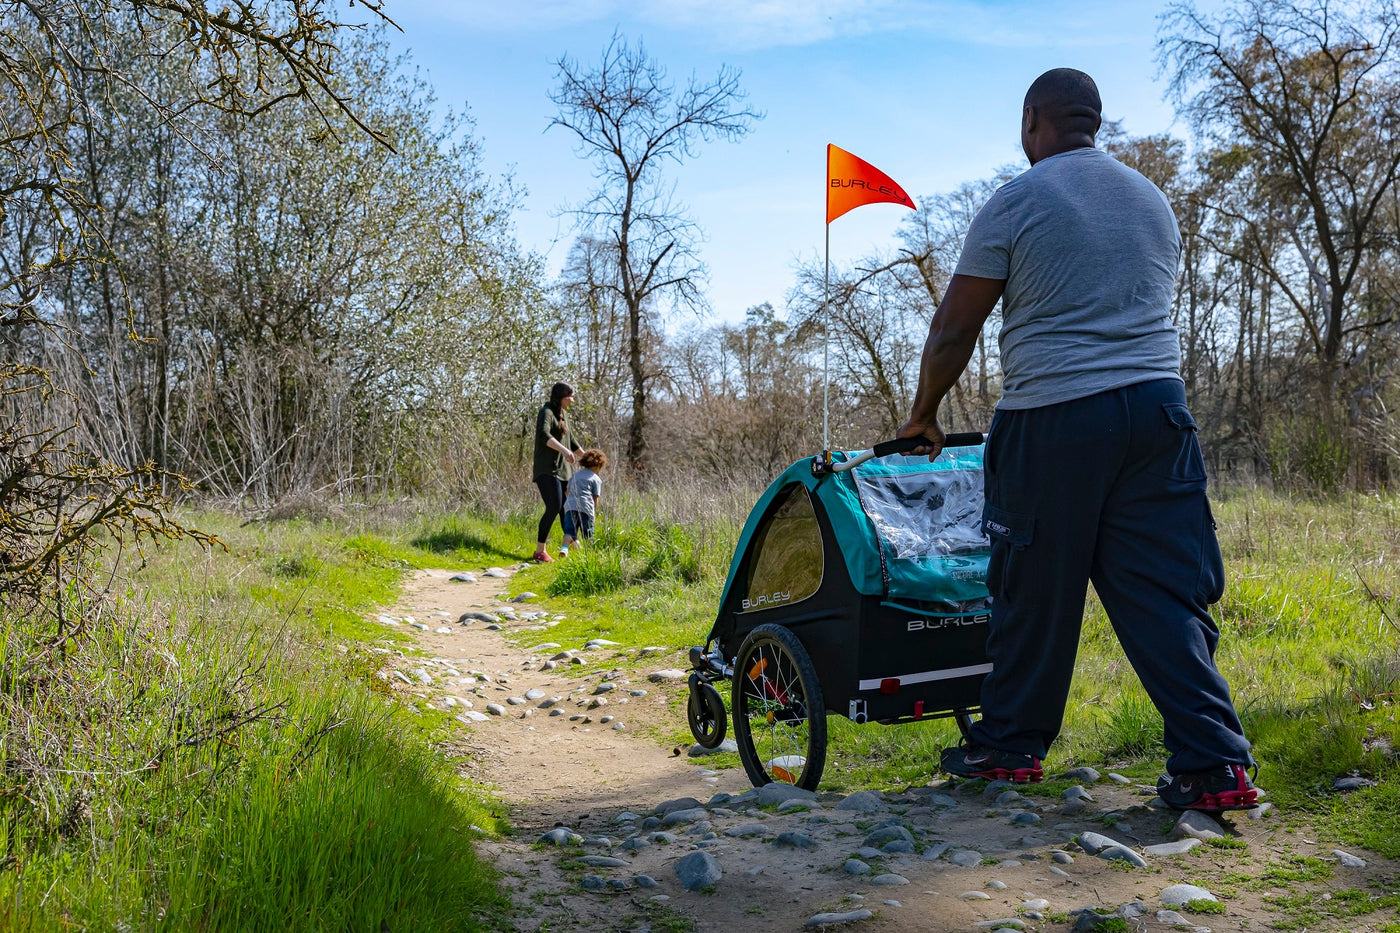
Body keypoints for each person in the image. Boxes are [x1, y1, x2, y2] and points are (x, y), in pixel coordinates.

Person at [897, 68, 1258, 813]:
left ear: (1034, 122)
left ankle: (1009, 746)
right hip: (1161, 415)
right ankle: (1215, 763)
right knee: (1165, 594)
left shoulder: (1018, 199)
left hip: (1055, 417)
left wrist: (923, 414)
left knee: (1033, 587)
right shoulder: (1152, 201)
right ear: (1095, 120)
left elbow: (955, 326)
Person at [532, 381, 582, 562]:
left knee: (566, 509)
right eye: (571, 396)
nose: (572, 400)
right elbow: (544, 435)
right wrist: (563, 450)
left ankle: (575, 546)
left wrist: (586, 458)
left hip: (564, 472)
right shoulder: (546, 412)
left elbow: (572, 442)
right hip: (546, 470)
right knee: (554, 506)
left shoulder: (564, 416)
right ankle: (540, 551)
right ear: (562, 396)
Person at [560, 448, 607, 557]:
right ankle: (589, 555)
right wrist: (593, 514)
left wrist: (571, 502)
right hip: (586, 507)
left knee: (569, 532)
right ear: (597, 466)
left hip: (570, 507)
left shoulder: (575, 475)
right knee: (588, 534)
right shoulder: (596, 478)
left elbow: (567, 491)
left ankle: (564, 548)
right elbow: (595, 498)